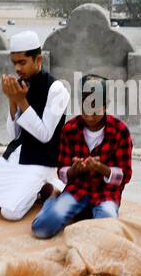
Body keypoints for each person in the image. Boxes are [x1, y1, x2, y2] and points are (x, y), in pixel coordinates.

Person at [0, 30, 68, 220]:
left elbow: (45, 135)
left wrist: (22, 101)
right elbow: (14, 135)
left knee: (10, 213)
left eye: (22, 62)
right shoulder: (20, 84)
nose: (17, 68)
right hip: (15, 157)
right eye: (14, 62)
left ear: (38, 60)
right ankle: (28, 189)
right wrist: (12, 101)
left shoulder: (57, 90)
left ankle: (47, 185)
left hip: (40, 162)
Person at [32, 73, 133, 239]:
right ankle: (53, 198)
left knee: (107, 236)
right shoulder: (70, 129)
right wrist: (74, 170)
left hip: (105, 194)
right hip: (77, 190)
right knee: (41, 229)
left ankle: (89, 213)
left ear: (106, 105)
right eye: (86, 106)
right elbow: (62, 172)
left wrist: (103, 169)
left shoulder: (120, 131)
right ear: (80, 103)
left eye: (95, 107)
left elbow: (125, 175)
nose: (90, 113)